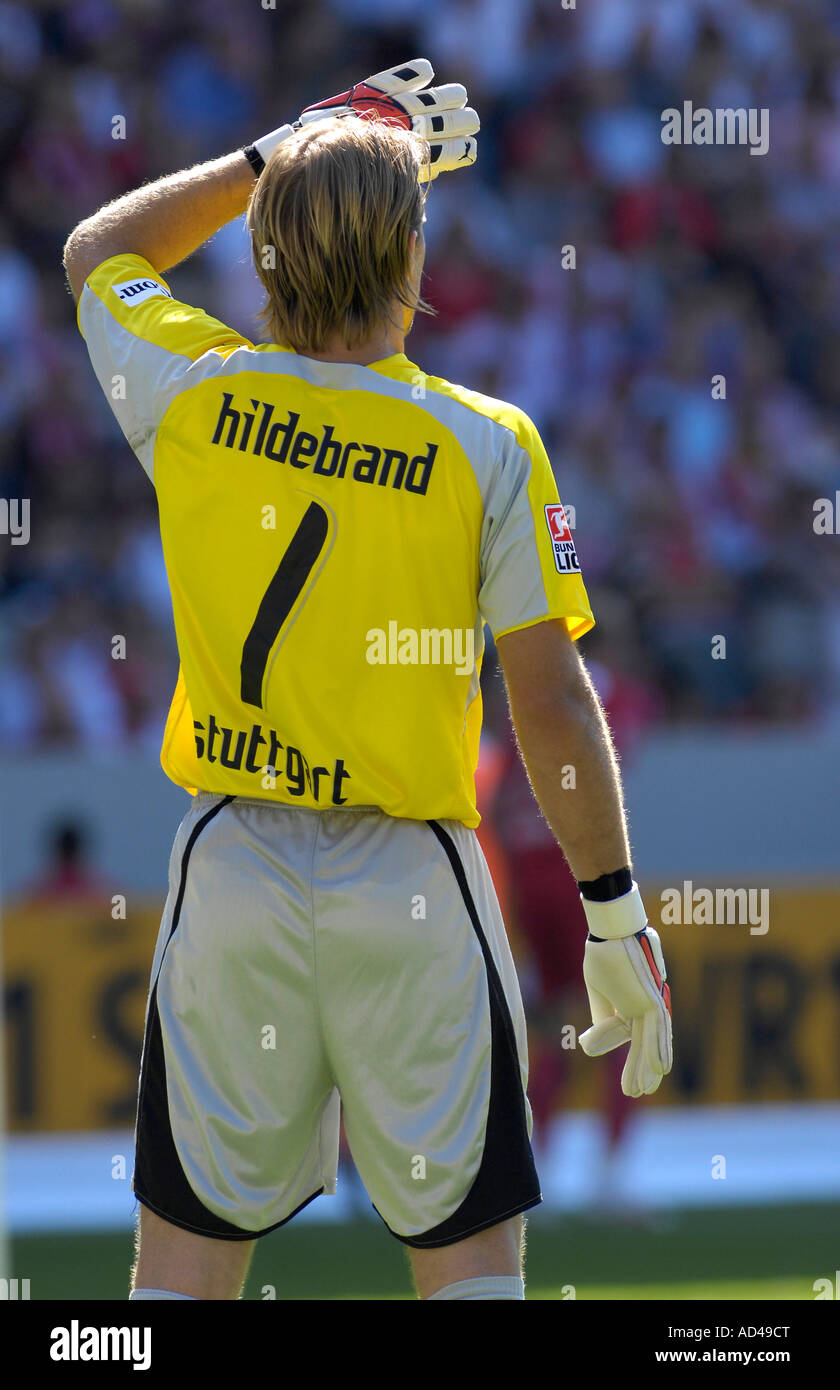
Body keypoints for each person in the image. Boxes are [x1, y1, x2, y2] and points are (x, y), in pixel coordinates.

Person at [62, 60, 671, 1302]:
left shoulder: (189, 393)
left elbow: (95, 248)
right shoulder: (489, 442)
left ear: (264, 257)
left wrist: (273, 154)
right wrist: (614, 909)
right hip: (413, 885)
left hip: (230, 867)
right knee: (470, 1280)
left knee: (176, 1281)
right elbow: (548, 705)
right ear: (413, 267)